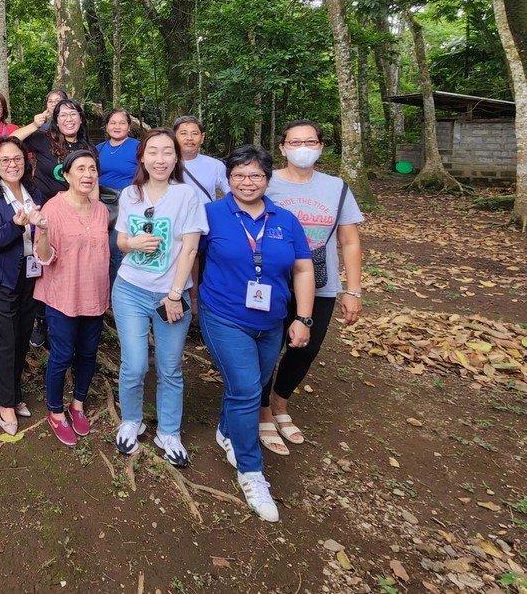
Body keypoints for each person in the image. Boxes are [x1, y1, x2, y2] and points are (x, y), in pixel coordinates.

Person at [199, 145, 315, 522]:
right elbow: (190, 257)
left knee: (250, 384)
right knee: (248, 389)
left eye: (255, 176)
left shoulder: (285, 219)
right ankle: (251, 472)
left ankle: (225, 430)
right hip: (224, 316)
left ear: (267, 179)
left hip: (273, 322)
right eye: (239, 176)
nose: (247, 182)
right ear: (228, 179)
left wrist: (304, 318)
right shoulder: (212, 214)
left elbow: (302, 270)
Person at [259, 120, 364, 454]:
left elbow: (349, 242)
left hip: (321, 282)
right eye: (295, 142)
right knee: (266, 347)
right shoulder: (266, 182)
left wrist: (353, 289)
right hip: (273, 281)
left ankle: (280, 403)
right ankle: (262, 411)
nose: (302, 148)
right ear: (282, 148)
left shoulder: (337, 188)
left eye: (310, 141)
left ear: (320, 146)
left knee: (306, 347)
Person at [112, 129, 206, 464]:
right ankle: (131, 420)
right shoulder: (130, 194)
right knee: (134, 364)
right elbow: (121, 240)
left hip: (171, 294)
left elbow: (191, 248)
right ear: (142, 158)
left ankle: (169, 432)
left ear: (177, 158)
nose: (160, 159)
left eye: (168, 152)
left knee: (169, 367)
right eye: (153, 152)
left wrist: (175, 293)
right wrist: (132, 244)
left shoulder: (186, 197)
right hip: (130, 289)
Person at [31, 149, 110, 447]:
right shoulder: (52, 208)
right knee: (63, 355)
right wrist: (43, 230)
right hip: (62, 294)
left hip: (95, 295)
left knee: (88, 353)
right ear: (66, 175)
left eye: (92, 169)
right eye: (81, 169)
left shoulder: (101, 210)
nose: (88, 175)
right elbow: (44, 257)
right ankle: (54, 411)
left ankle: (77, 405)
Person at [14, 98, 92, 348]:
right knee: (41, 263)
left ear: (81, 118)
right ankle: (40, 318)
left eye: (73, 114)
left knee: (65, 266)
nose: (69, 119)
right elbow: (13, 140)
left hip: (75, 216)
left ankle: (66, 316)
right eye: (63, 116)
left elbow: (93, 186)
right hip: (42, 212)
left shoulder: (88, 147)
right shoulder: (44, 138)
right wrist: (36, 123)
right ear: (56, 120)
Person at [0, 137, 42, 434]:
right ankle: (4, 403)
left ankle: (14, 395)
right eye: (4, 160)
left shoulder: (34, 192)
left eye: (16, 159)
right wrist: (15, 226)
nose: (12, 164)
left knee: (22, 336)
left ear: (25, 161)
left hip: (30, 275)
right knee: (4, 342)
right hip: (0, 279)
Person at [173, 115, 226, 322]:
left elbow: (232, 192)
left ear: (202, 138)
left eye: (195, 133)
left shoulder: (215, 165)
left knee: (205, 267)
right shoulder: (166, 162)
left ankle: (204, 309)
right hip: (175, 226)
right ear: (175, 136)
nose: (189, 138)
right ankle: (183, 307)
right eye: (183, 133)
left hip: (207, 226)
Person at [97, 108, 140, 281]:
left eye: (122, 123)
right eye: (113, 123)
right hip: (99, 204)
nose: (117, 126)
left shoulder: (138, 147)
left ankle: (115, 294)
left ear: (129, 127)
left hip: (126, 205)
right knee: (99, 248)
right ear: (106, 127)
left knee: (115, 249)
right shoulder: (98, 149)